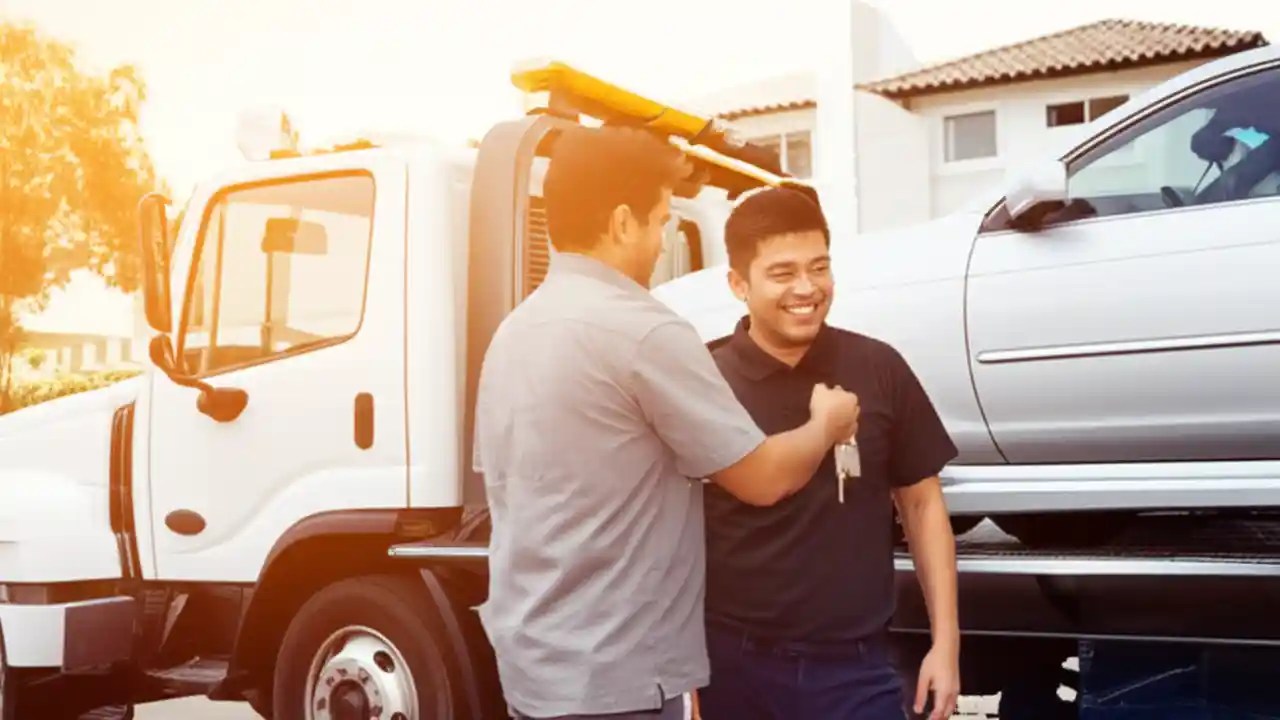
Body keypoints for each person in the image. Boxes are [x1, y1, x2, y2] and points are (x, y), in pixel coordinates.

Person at [472, 126, 861, 720]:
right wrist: (824, 425)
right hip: (618, 677)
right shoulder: (644, 330)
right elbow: (761, 479)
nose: (660, 243)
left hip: (534, 669)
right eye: (659, 222)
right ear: (623, 222)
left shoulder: (514, 332)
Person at [696, 186, 961, 720]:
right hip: (730, 666)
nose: (807, 288)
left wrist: (947, 645)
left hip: (854, 670)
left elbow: (923, 505)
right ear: (737, 284)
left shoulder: (878, 367)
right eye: (783, 273)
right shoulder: (703, 378)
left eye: (819, 268)